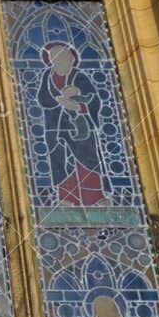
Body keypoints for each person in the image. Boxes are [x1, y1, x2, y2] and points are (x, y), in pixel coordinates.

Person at [36, 40, 108, 207]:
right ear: (51, 61)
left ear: (71, 58)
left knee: (87, 159)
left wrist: (78, 103)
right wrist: (58, 100)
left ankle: (96, 198)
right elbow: (42, 98)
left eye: (64, 56)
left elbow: (92, 98)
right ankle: (67, 198)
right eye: (55, 58)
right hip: (56, 126)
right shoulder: (47, 76)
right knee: (61, 160)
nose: (60, 60)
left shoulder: (79, 75)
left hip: (80, 125)